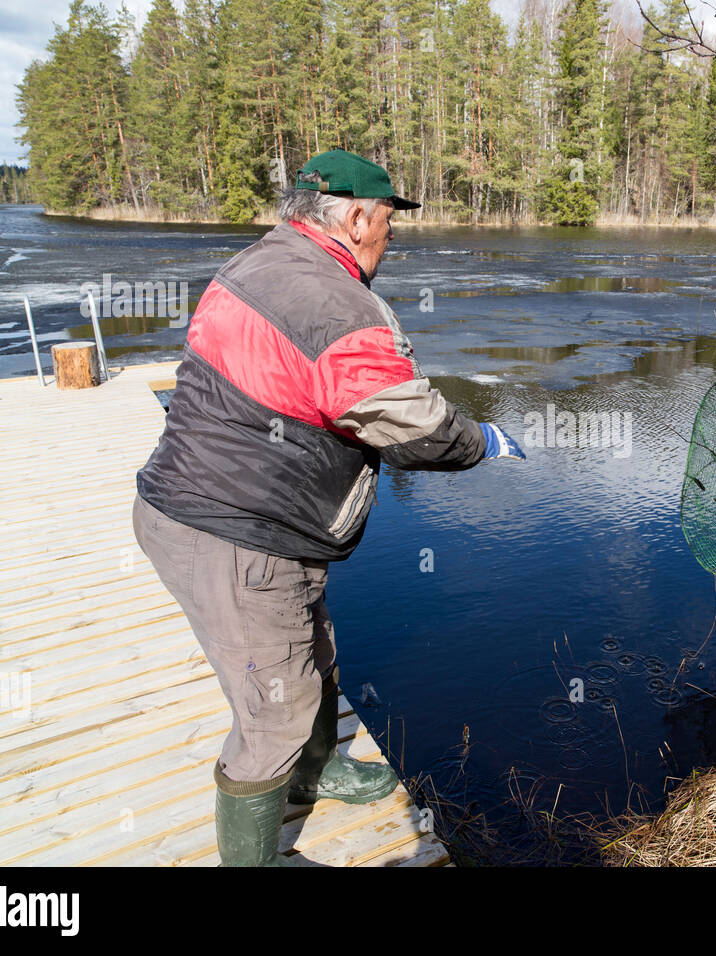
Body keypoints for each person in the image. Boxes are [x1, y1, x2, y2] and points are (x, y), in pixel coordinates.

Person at [132, 149, 524, 866]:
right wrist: (484, 441)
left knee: (312, 651)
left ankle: (317, 771)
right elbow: (410, 425)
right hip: (234, 534)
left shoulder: (259, 263)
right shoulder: (336, 303)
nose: (391, 235)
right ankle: (256, 850)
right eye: (386, 219)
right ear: (353, 217)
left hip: (229, 520)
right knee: (274, 714)